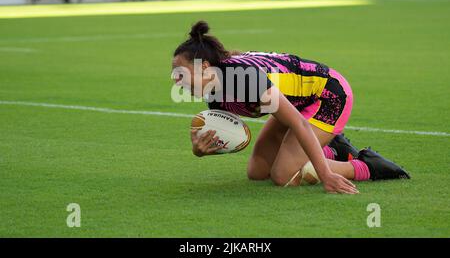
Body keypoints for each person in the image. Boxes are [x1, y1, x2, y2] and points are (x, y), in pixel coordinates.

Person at [171, 21, 410, 194]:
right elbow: (230, 135)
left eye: (180, 72)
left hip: (327, 95)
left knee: (283, 175)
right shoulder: (215, 92)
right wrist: (201, 149)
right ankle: (330, 148)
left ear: (204, 67)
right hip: (297, 104)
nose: (175, 80)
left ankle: (368, 166)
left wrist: (325, 175)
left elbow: (298, 122)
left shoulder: (243, 78)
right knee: (257, 172)